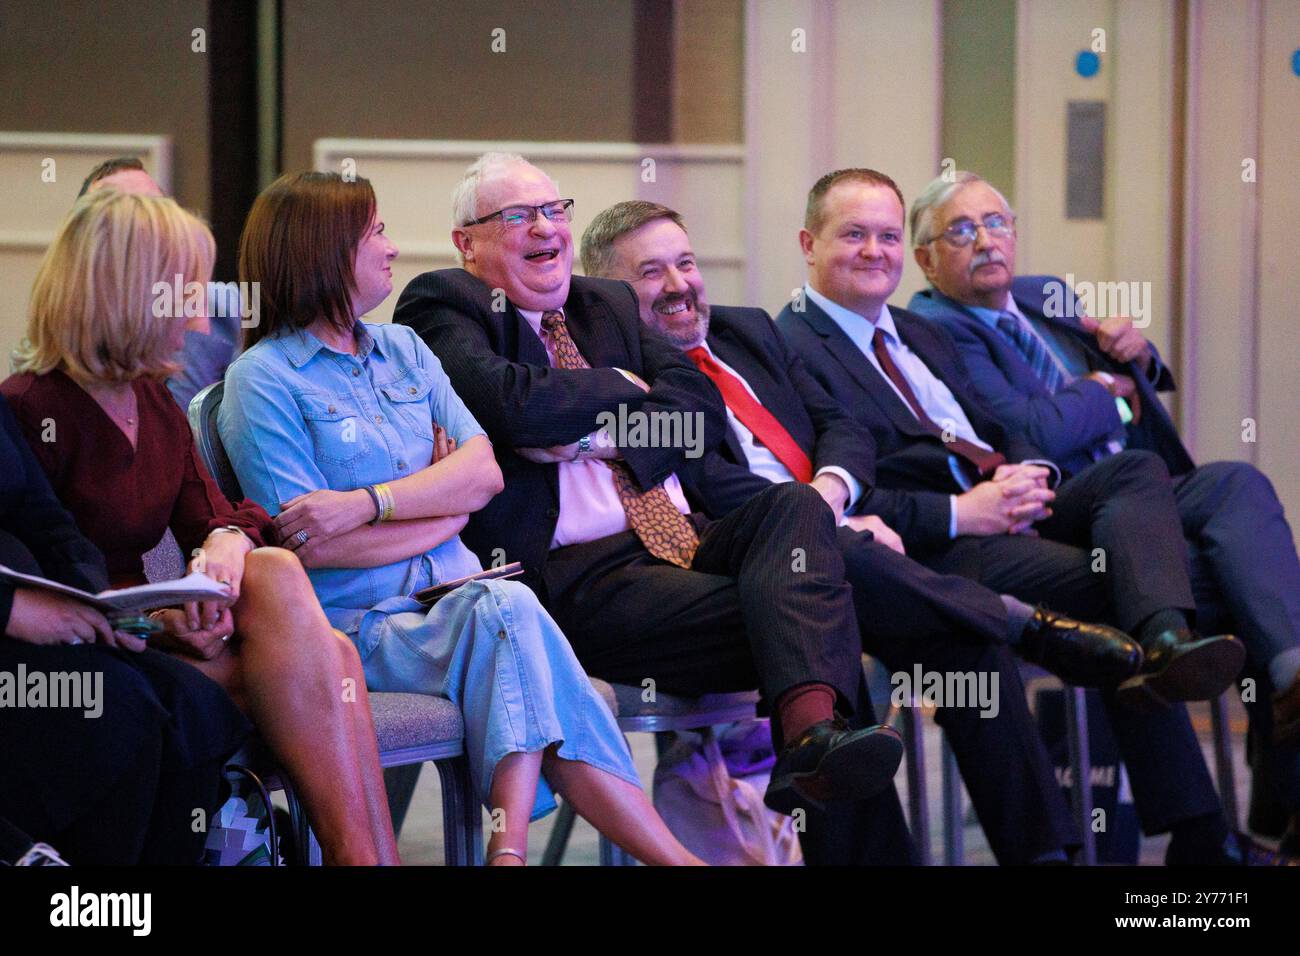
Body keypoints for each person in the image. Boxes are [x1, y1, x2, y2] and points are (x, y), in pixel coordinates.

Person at [578, 198, 1159, 862]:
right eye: (651, 272)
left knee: (960, 643)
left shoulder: (748, 329)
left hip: (836, 534)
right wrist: (826, 523)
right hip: (747, 556)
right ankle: (1017, 621)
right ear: (607, 292)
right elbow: (706, 482)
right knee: (837, 623)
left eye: (685, 263)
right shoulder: (630, 376)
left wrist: (829, 497)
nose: (680, 284)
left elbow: (842, 427)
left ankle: (1044, 856)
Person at [395, 152, 912, 865]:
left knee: (794, 508)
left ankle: (807, 742)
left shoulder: (603, 303)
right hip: (577, 578)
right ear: (468, 242)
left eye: (553, 210)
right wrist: (624, 384)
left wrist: (589, 436)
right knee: (817, 614)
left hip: (683, 545)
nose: (544, 227)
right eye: (517, 216)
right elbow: (509, 404)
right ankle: (812, 741)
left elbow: (696, 407)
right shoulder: (444, 303)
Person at [774, 166, 1292, 865]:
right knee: (1131, 584)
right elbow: (844, 488)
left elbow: (1001, 429)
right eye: (854, 235)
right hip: (935, 548)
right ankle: (1196, 826)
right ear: (809, 243)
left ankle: (1171, 644)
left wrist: (1031, 475)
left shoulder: (913, 332)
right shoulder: (792, 345)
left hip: (1016, 506)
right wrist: (962, 511)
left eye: (886, 236)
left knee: (1140, 474)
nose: (875, 251)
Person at [218, 170, 702, 867]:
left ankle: (526, 860)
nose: (391, 248)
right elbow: (305, 550)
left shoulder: (404, 350)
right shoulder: (263, 379)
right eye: (376, 233)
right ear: (326, 252)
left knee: (505, 616)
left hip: (458, 601)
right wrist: (442, 501)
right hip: (360, 628)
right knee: (511, 615)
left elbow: (485, 476)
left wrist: (369, 505)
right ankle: (580, 858)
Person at [2, 188, 399, 866]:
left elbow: (225, 516)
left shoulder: (153, 403)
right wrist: (158, 621)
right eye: (184, 293)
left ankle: (361, 859)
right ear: (130, 296)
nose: (198, 317)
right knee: (326, 654)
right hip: (90, 656)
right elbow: (52, 594)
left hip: (148, 633)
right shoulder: (31, 409)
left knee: (287, 594)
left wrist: (225, 540)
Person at [0, 392, 249, 864]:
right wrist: (11, 608)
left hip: (40, 614)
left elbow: (42, 516)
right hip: (12, 627)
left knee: (193, 701)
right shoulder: (34, 402)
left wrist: (96, 602)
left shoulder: (156, 404)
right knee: (118, 702)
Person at [79, 157, 241, 411]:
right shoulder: (70, 346)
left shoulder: (226, 307)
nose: (148, 226)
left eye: (156, 208)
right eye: (124, 216)